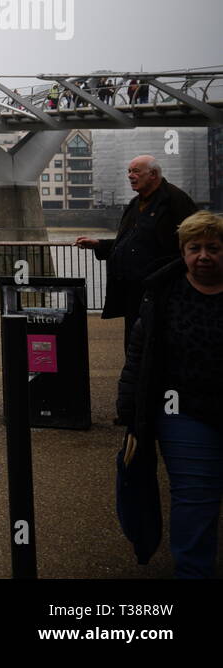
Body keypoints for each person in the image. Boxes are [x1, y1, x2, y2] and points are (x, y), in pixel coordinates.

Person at [117, 211, 223, 577]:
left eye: (214, 248)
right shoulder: (163, 293)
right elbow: (140, 356)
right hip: (184, 412)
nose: (204, 256)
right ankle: (194, 572)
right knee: (194, 498)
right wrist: (129, 409)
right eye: (195, 248)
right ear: (183, 251)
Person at [76, 156, 198, 348]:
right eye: (129, 171)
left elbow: (195, 241)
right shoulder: (135, 204)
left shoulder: (175, 200)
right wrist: (99, 244)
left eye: (136, 171)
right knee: (135, 342)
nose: (130, 176)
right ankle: (135, 378)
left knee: (157, 343)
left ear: (153, 174)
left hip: (161, 291)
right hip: (133, 292)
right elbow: (130, 242)